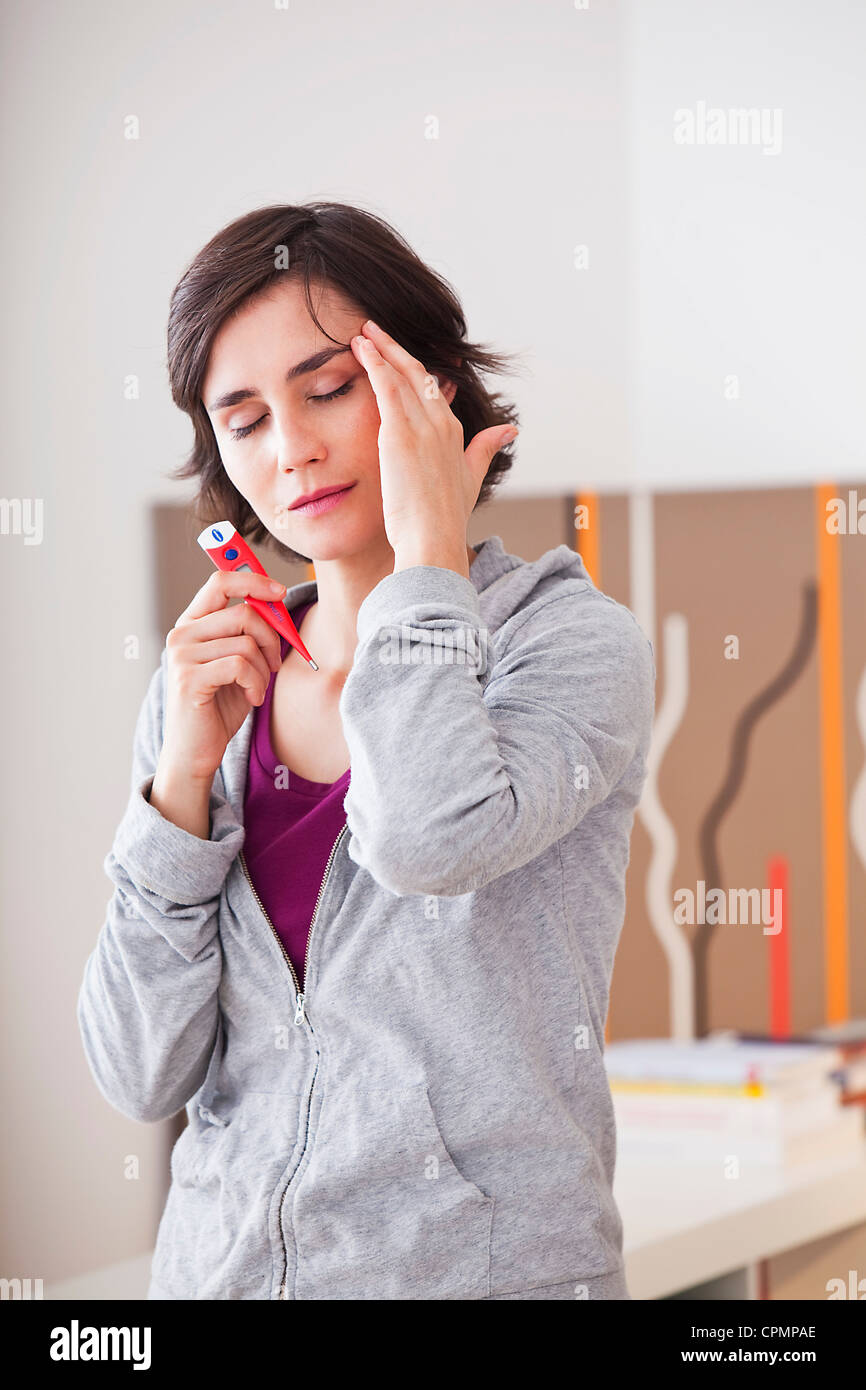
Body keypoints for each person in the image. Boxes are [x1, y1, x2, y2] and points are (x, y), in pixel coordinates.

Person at [78, 202, 656, 1300]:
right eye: (242, 420)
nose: (289, 447)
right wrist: (181, 782)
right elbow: (138, 1070)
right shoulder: (206, 689)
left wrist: (428, 558)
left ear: (429, 386)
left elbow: (426, 837)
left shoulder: (567, 643)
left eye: (328, 389)